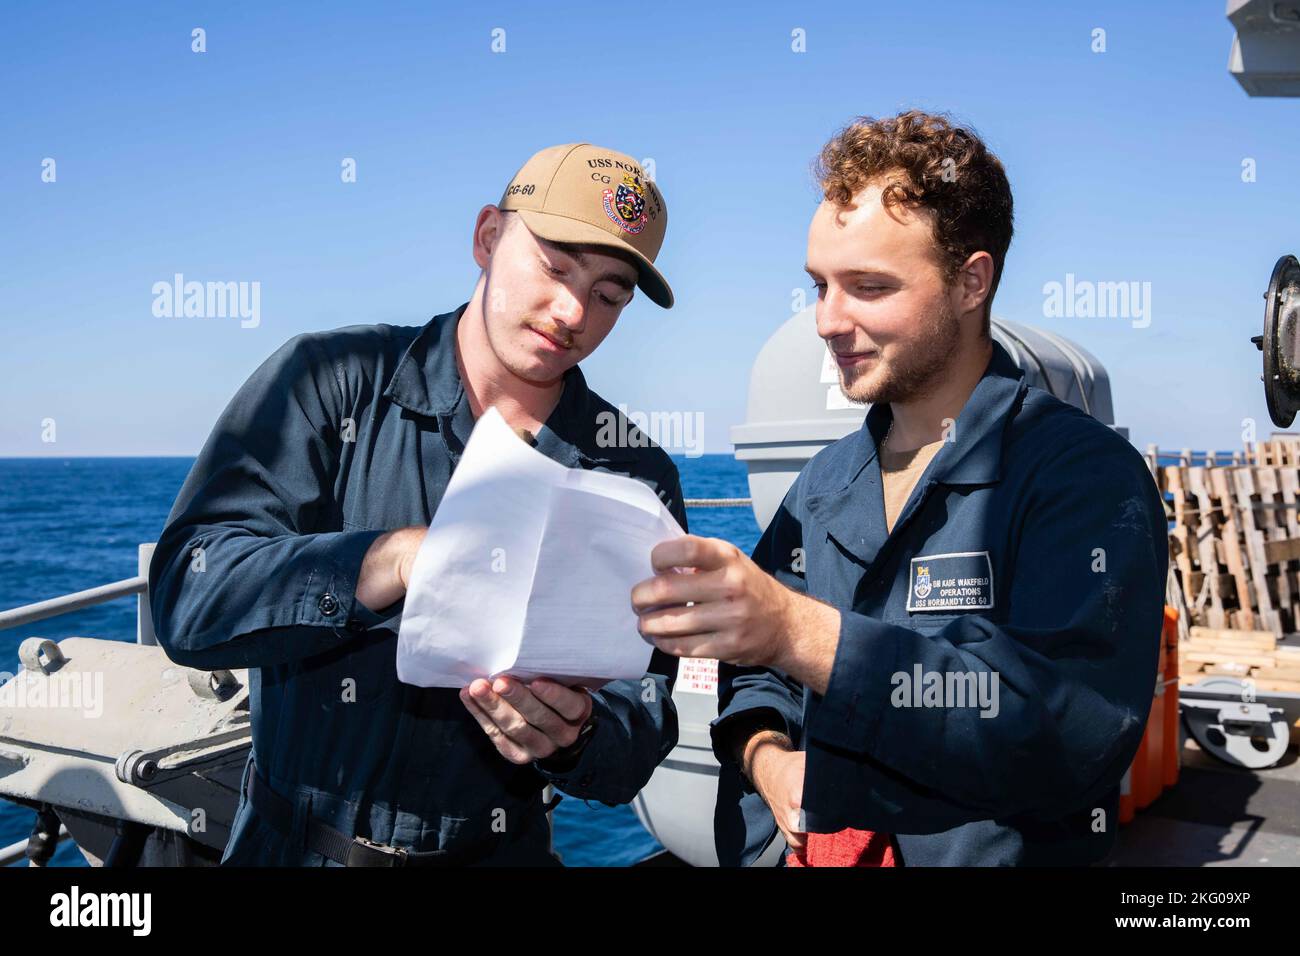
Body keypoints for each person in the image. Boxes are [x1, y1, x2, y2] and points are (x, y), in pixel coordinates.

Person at [631, 111, 1169, 866]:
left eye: (869, 287)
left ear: (970, 282)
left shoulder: (1083, 480)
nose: (827, 320)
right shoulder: (821, 488)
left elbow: (1068, 734)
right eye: (819, 285)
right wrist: (766, 756)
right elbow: (752, 673)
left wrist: (801, 633)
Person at [149, 143, 685, 866]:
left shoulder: (636, 475)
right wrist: (388, 560)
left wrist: (582, 733)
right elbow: (191, 593)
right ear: (488, 237)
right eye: (556, 267)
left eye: (609, 294)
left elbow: (644, 716)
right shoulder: (325, 381)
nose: (572, 310)